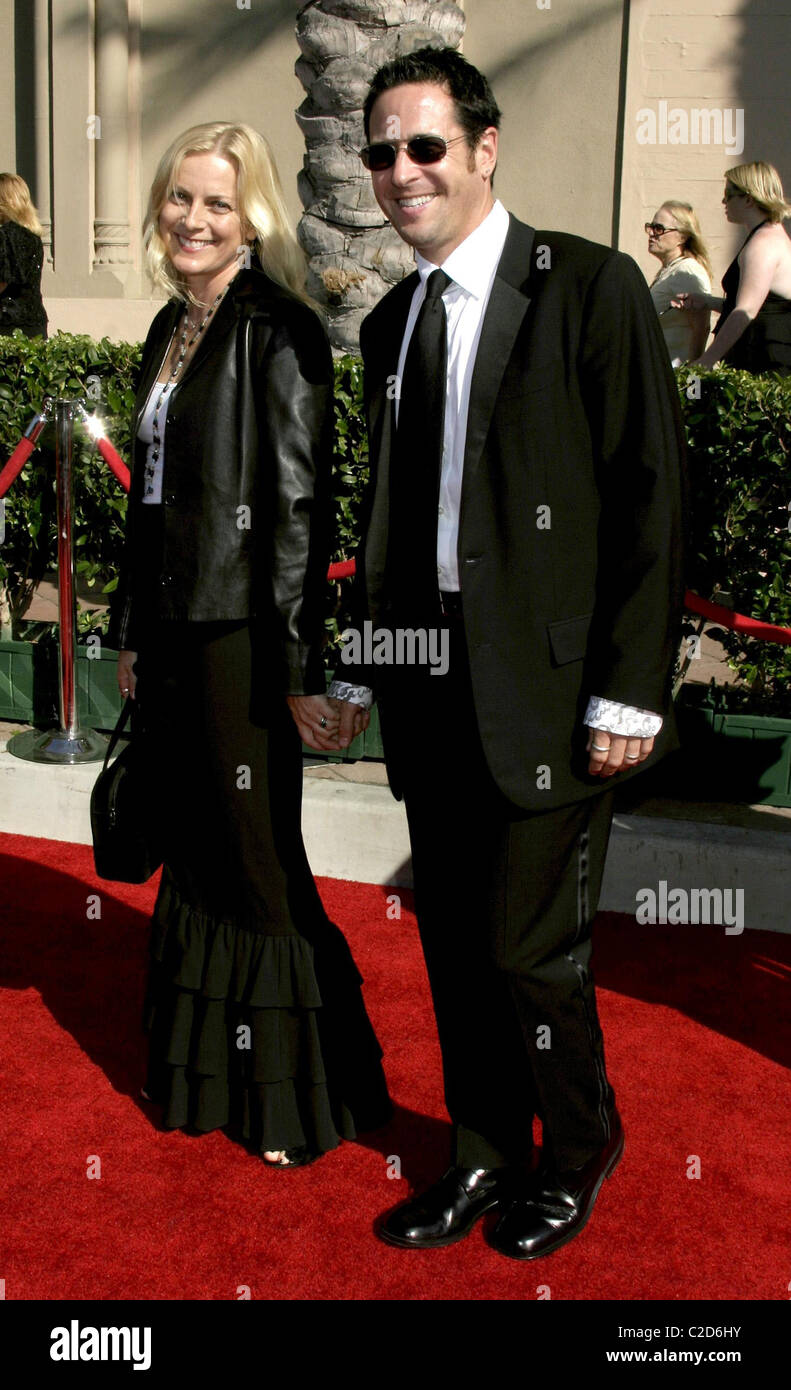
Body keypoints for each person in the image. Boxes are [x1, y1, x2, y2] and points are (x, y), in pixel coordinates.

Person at [329, 48, 685, 1259]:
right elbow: (387, 523)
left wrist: (629, 691)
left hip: (547, 691)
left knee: (529, 950)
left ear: (484, 148)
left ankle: (576, 1148)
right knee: (448, 938)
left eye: (423, 145)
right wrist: (358, 665)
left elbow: (649, 501)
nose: (399, 171)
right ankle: (481, 1148)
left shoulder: (586, 288)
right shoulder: (390, 323)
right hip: (429, 683)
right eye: (380, 151)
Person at [110, 122, 390, 1168]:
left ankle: (309, 1100)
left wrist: (298, 668)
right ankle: (207, 1078)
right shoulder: (167, 330)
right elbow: (148, 504)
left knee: (260, 862)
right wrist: (133, 634)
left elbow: (296, 514)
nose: (193, 219)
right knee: (199, 854)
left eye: (217, 204)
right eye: (181, 198)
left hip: (242, 641)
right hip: (178, 638)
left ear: (252, 216)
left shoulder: (280, 330)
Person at [673, 161, 791, 375]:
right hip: (761, 360)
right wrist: (707, 302)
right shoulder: (767, 236)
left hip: (767, 366)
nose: (723, 201)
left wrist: (706, 360)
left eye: (728, 194)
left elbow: (746, 311)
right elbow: (763, 305)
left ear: (748, 198)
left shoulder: (764, 244)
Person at [645, 201, 711, 365]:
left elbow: (702, 328)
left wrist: (692, 381)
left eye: (659, 229)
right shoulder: (670, 271)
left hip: (679, 379)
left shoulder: (687, 272)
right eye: (651, 227)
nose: (652, 233)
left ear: (682, 236)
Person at [0, 173, 48, 340]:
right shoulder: (33, 237)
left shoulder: (5, 235)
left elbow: (3, 281)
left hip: (8, 324)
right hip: (35, 323)